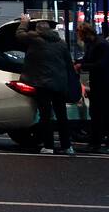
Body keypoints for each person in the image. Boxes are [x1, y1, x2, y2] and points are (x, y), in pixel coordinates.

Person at [16, 14, 74, 155]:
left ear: (38, 30)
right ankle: (67, 146)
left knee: (46, 116)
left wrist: (24, 22)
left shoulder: (35, 39)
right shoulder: (61, 43)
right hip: (60, 84)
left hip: (43, 85)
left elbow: (19, 34)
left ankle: (48, 146)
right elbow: (69, 64)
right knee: (62, 116)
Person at [76, 22, 109, 154]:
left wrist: (82, 66)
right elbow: (88, 59)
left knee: (107, 113)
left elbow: (101, 65)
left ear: (86, 33)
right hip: (98, 82)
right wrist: (78, 63)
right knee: (95, 113)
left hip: (107, 83)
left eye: (80, 35)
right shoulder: (92, 44)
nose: (80, 38)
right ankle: (95, 142)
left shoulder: (102, 44)